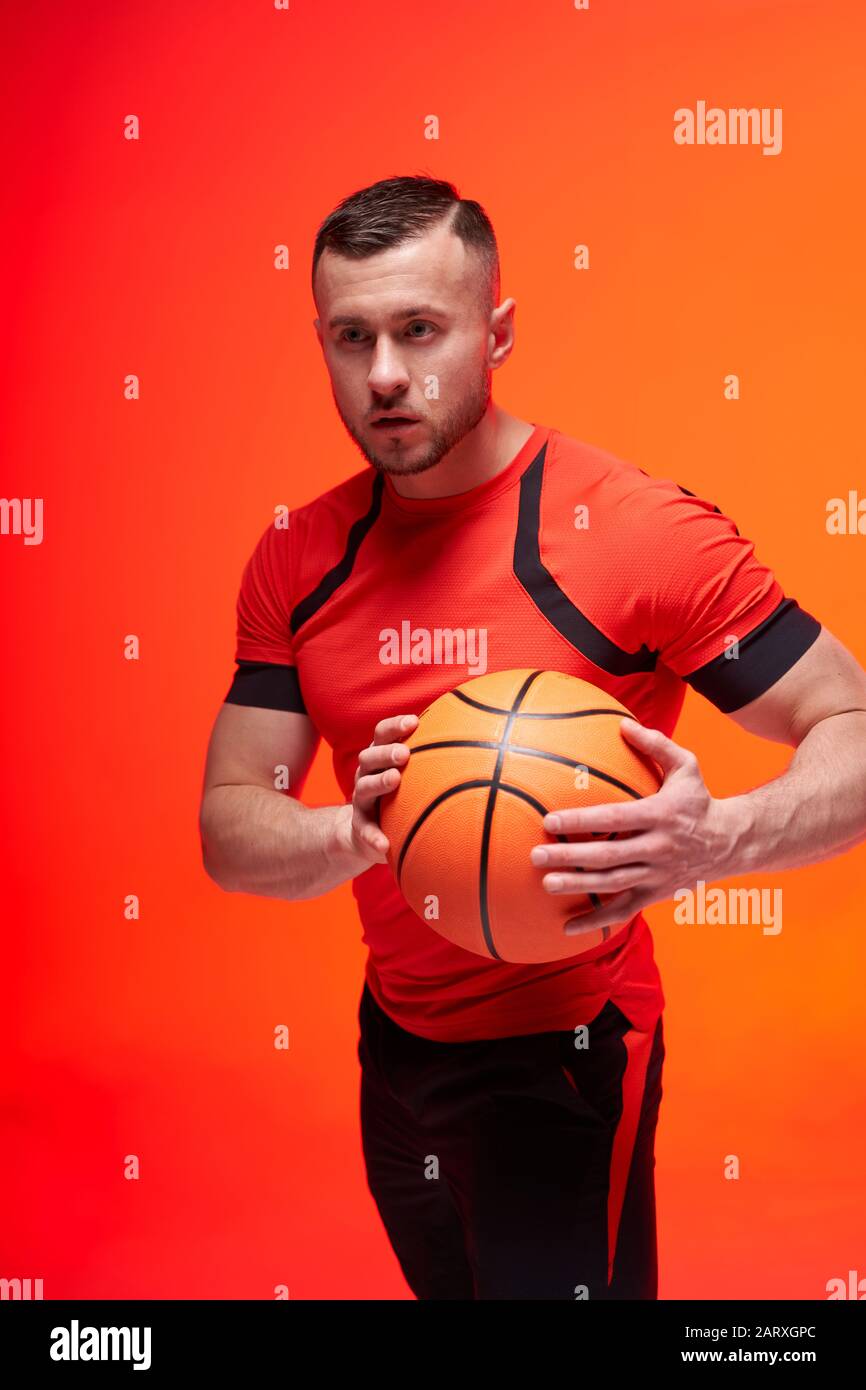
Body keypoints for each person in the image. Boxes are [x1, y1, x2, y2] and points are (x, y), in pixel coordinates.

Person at [199, 174, 866, 1300]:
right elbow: (229, 822)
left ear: (496, 329)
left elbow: (850, 724)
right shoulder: (296, 559)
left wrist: (720, 839)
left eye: (419, 329)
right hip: (395, 1047)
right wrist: (351, 838)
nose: (385, 376)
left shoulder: (634, 534)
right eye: (350, 337)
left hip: (563, 1056)